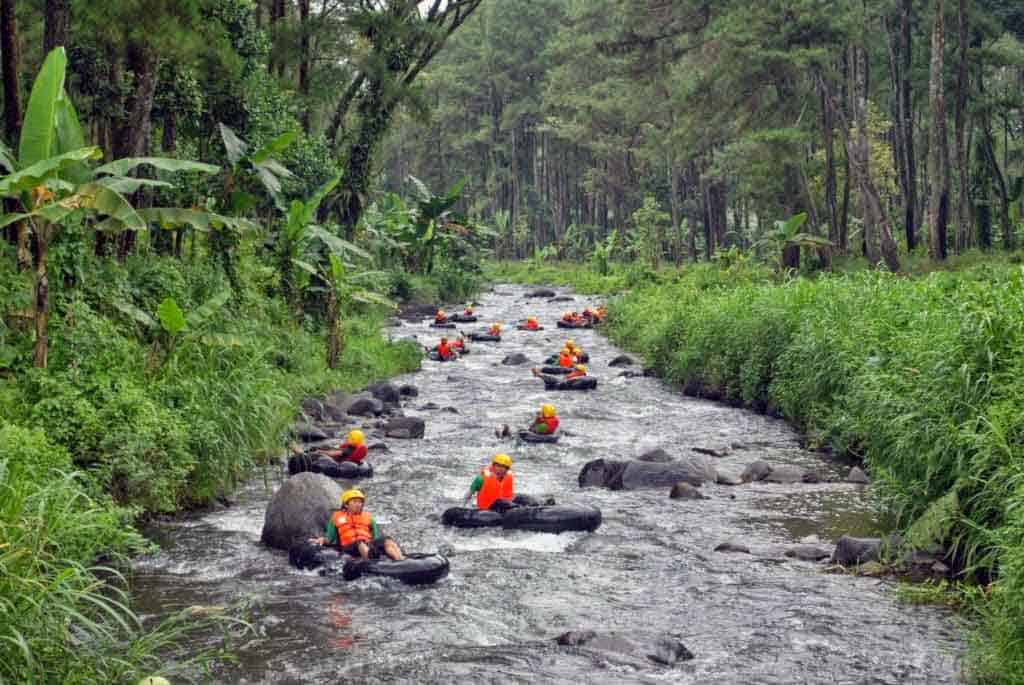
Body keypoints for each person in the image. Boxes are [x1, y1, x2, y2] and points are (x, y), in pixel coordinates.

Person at [309, 489, 404, 561]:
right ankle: (370, 562)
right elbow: (330, 538)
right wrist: (321, 539)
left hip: (367, 545)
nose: (358, 504)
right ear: (346, 504)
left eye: (360, 502)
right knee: (360, 542)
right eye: (354, 502)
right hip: (348, 547)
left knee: (387, 540)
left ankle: (400, 560)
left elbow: (375, 538)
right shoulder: (336, 517)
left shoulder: (369, 517)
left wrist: (380, 544)